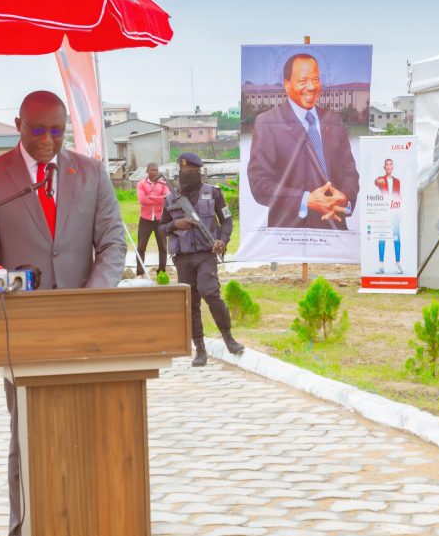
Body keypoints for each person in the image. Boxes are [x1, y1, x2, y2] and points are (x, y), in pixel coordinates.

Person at [0, 90, 127, 536]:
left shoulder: (90, 173)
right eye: (37, 131)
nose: (48, 141)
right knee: (28, 439)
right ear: (18, 124)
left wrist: (89, 301)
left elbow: (113, 242)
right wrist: (0, 285)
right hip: (24, 332)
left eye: (57, 131)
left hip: (85, 331)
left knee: (88, 438)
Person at [247, 52, 360, 229]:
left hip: (334, 229)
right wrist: (306, 200)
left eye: (315, 79)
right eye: (302, 81)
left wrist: (344, 197)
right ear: (287, 84)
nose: (311, 87)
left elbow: (349, 173)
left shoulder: (334, 120)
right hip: (289, 234)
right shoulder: (268, 123)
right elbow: (260, 184)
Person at [162, 152, 244, 366]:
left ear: (199, 172)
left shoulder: (213, 193)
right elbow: (161, 228)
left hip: (206, 254)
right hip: (183, 257)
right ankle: (200, 349)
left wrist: (223, 241)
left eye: (192, 172)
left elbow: (226, 220)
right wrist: (174, 225)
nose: (188, 175)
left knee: (211, 293)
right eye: (184, 172)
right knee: (191, 303)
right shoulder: (171, 198)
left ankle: (229, 339)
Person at [135, 162, 170, 277]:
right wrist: (158, 199)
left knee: (163, 247)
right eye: (152, 170)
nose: (154, 172)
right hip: (145, 219)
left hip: (161, 219)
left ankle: (162, 271)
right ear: (147, 171)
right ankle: (140, 272)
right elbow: (142, 200)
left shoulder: (163, 184)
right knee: (141, 246)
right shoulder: (141, 184)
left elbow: (166, 199)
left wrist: (151, 197)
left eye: (156, 170)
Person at [371, 157, 404, 274]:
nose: (389, 166)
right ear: (384, 167)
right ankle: (381, 265)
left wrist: (400, 212)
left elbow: (399, 196)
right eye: (387, 164)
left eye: (390, 164)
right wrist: (378, 181)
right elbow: (376, 182)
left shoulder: (397, 181)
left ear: (392, 166)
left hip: (394, 212)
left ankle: (398, 265)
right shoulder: (381, 180)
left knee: (396, 238)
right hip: (383, 213)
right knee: (382, 238)